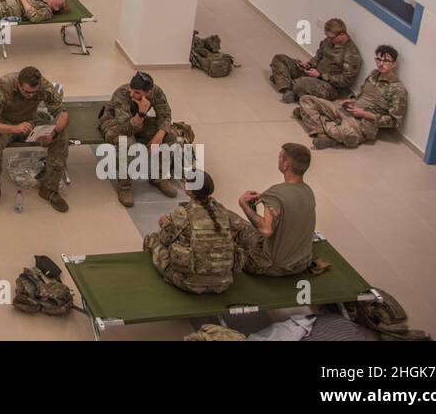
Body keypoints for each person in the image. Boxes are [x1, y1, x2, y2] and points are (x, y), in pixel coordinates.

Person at [0, 66, 69, 213]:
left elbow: (63, 114)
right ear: (18, 85)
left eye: (34, 93)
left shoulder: (44, 85)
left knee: (62, 136)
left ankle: (49, 189)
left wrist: (52, 134)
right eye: (26, 92)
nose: (30, 95)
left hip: (30, 122)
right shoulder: (4, 84)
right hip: (5, 124)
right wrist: (13, 128)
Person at [143, 172, 244, 294]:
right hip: (224, 281)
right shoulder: (222, 211)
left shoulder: (182, 214)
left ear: (190, 191)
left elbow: (165, 240)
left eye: (185, 181)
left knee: (152, 239)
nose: (183, 182)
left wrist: (166, 223)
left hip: (190, 283)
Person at [296, 44, 408, 149]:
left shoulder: (397, 89)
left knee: (349, 136)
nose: (381, 64)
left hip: (364, 121)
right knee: (306, 100)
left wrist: (364, 114)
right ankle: (323, 132)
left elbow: (394, 121)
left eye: (386, 61)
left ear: (394, 64)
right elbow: (362, 94)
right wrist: (351, 100)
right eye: (378, 59)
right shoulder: (373, 74)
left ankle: (318, 121)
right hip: (349, 109)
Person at [233, 143, 317, 277]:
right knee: (243, 229)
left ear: (286, 165)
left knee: (231, 227)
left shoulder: (275, 194)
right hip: (303, 262)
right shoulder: (308, 191)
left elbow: (266, 230)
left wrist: (243, 204)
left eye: (280, 157)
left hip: (273, 266)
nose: (278, 159)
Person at [100, 71, 180, 207]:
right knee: (128, 144)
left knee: (170, 135)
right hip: (114, 124)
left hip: (137, 121)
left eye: (137, 92)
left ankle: (158, 177)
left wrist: (158, 137)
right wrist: (142, 112)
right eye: (131, 90)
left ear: (148, 92)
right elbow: (126, 129)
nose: (132, 94)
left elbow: (165, 114)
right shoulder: (122, 93)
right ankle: (124, 186)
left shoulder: (156, 92)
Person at [269, 17, 362, 104]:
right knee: (279, 59)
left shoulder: (352, 55)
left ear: (342, 35)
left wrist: (321, 75)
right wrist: (309, 64)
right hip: (313, 73)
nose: (328, 39)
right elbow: (318, 56)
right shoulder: (328, 41)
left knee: (302, 82)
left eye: (331, 38)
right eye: (327, 37)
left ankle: (284, 82)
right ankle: (289, 88)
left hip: (329, 86)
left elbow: (345, 81)